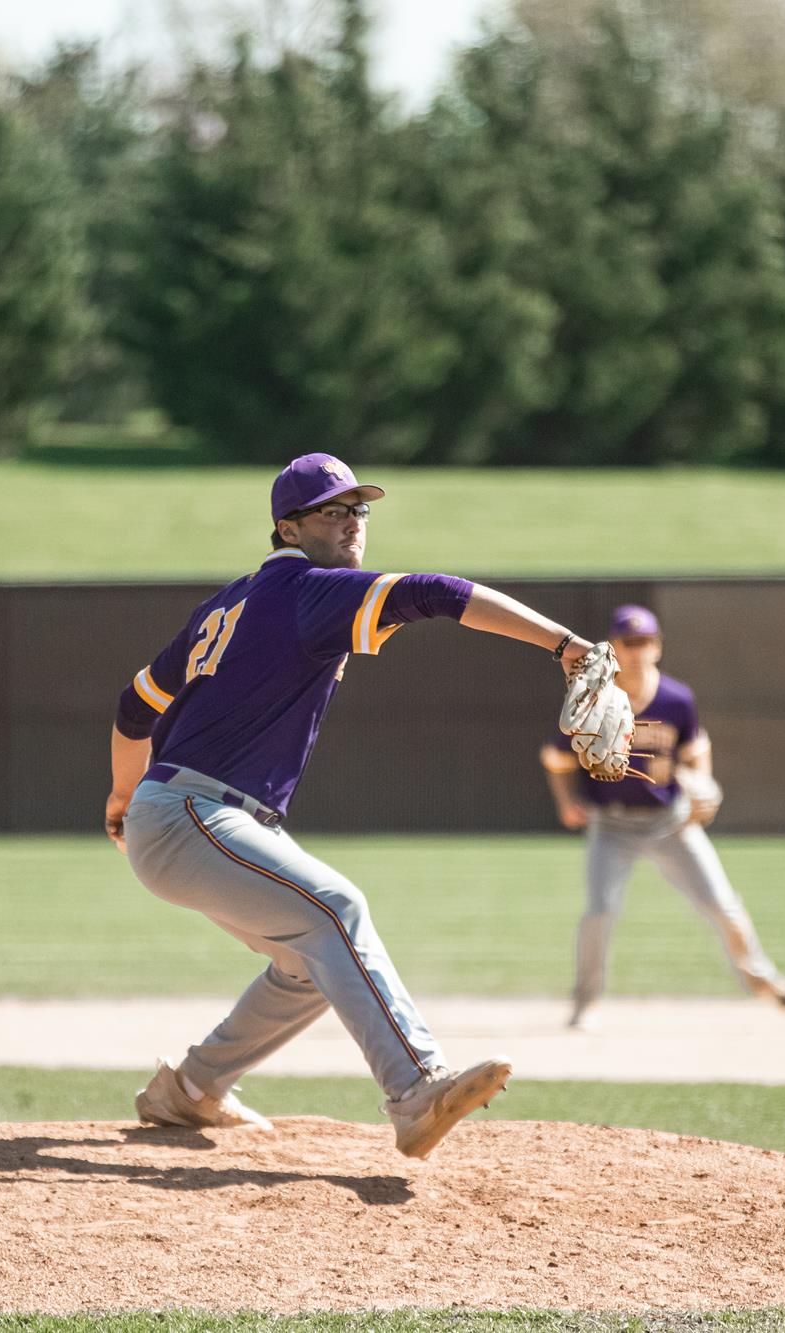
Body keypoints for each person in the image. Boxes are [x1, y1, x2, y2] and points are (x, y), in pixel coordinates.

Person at [105, 452, 606, 1160]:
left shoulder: (232, 601)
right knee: (337, 909)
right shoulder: (308, 590)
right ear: (288, 526)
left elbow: (135, 705)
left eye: (360, 509)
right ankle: (416, 1090)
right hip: (195, 813)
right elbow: (436, 590)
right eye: (333, 511)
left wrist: (123, 797)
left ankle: (188, 1091)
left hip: (190, 815)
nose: (353, 523)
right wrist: (565, 645)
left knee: (313, 959)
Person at [540, 604, 785, 1029]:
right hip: (611, 826)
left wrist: (702, 782)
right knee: (599, 914)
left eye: (645, 642)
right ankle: (585, 1003)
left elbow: (695, 750)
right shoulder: (593, 699)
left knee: (723, 906)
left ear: (658, 647)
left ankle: (765, 981)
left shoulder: (677, 699)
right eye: (628, 643)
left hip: (670, 823)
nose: (637, 651)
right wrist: (566, 800)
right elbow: (555, 759)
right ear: (614, 648)